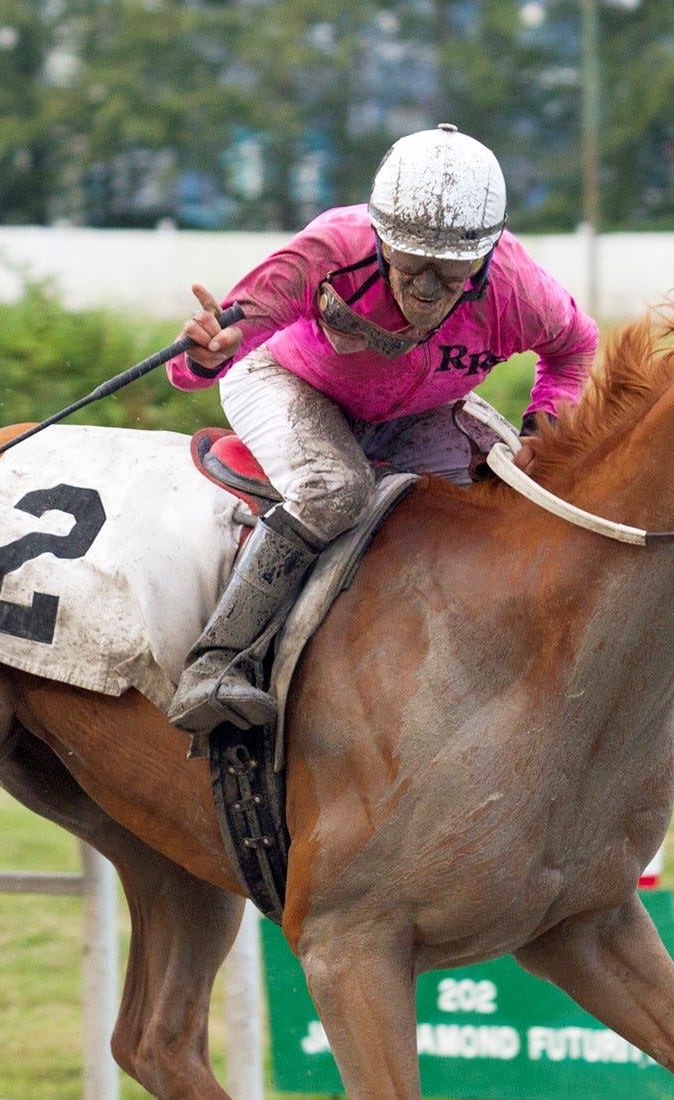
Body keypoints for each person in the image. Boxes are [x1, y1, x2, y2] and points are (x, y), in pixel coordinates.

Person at [163, 123, 599, 734]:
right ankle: (215, 663)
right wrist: (203, 358)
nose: (427, 287)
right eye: (412, 261)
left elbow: (575, 348)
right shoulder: (330, 248)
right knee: (336, 491)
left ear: (487, 253)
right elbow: (198, 362)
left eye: (452, 269)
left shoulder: (519, 291)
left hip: (416, 410)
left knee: (519, 498)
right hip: (288, 380)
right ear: (379, 236)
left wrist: (541, 429)